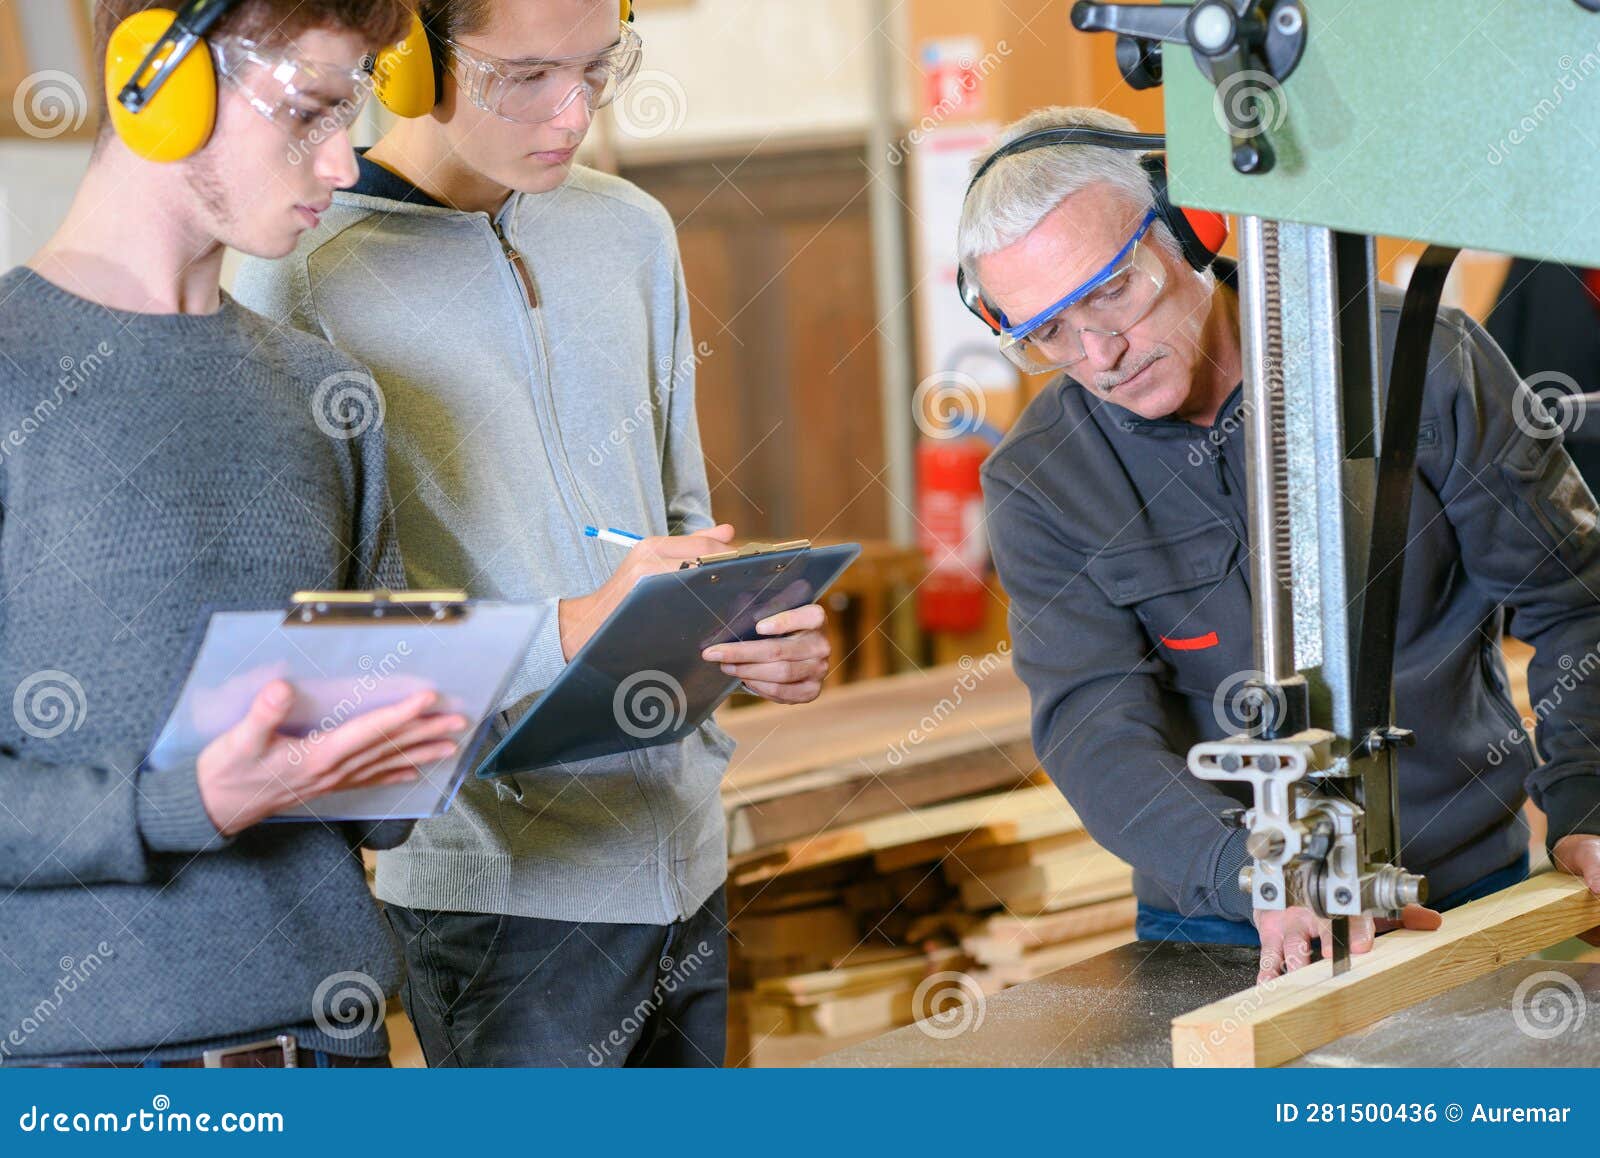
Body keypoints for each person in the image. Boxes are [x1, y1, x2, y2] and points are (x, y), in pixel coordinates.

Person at [233, 0, 831, 1067]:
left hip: (687, 856)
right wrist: (568, 623)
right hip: (500, 897)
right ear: (409, 58)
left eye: (599, 67)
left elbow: (678, 521)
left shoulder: (628, 230)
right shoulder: (302, 277)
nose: (573, 112)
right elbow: (317, 649)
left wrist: (753, 630)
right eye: (526, 75)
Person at [963, 107, 1600, 982]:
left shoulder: (1420, 365)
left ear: (1191, 227)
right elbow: (1091, 724)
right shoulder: (1042, 480)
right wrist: (1249, 878)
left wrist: (1588, 799)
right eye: (1048, 332)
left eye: (1110, 289)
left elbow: (1576, 606)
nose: (1098, 353)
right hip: (1222, 924)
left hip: (1469, 894)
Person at [0, 0, 467, 1068]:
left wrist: (434, 737)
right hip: (91, 1083)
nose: (341, 166)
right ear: (161, 83)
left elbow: (378, 805)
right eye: (308, 112)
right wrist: (189, 802)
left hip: (339, 1053)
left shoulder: (326, 393)